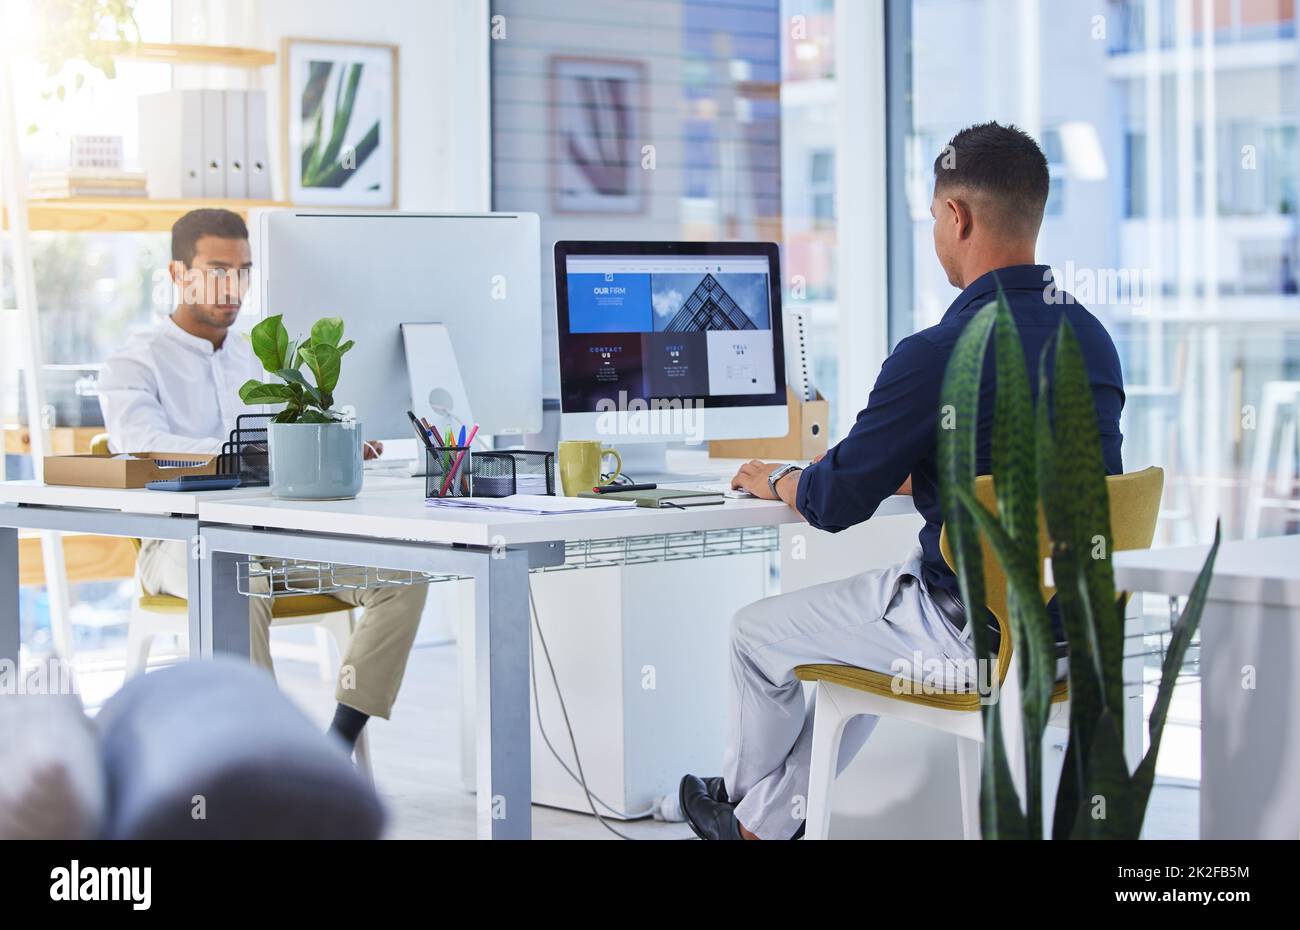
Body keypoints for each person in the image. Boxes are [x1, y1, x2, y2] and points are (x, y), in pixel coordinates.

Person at [679, 122, 1126, 840]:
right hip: (1073, 636)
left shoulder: (936, 353)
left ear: (957, 217)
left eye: (931, 219)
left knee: (752, 634)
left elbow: (832, 502)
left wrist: (781, 477)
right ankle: (760, 820)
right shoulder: (1093, 338)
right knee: (846, 640)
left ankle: (744, 819)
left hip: (968, 638)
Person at [98, 208, 427, 752]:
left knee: (406, 576)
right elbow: (143, 446)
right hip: (179, 542)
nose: (234, 286)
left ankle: (334, 747)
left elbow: (289, 440)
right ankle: (262, 760)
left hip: (276, 533)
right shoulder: (134, 363)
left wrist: (326, 441)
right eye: (217, 269)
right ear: (178, 274)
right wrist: (258, 451)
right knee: (237, 572)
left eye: (244, 270)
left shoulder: (261, 354)